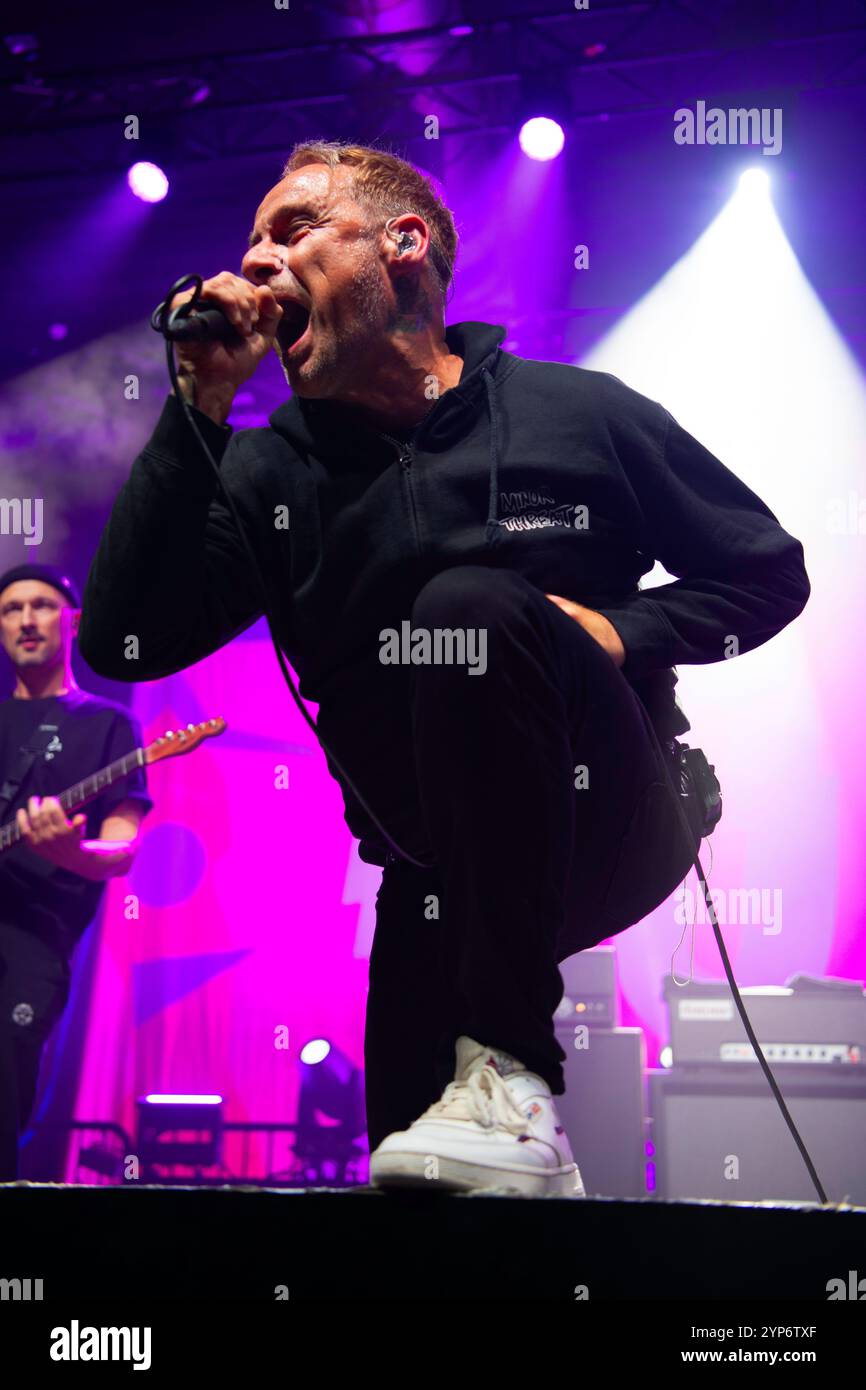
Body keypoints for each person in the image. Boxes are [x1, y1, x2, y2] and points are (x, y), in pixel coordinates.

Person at [77, 140, 810, 1197]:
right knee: (428, 1192)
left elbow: (765, 574)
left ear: (401, 245)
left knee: (465, 610)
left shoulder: (579, 415)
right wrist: (196, 403)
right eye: (249, 245)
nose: (257, 265)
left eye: (291, 231)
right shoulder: (269, 469)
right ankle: (512, 1131)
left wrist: (615, 632)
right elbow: (123, 644)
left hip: (609, 814)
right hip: (430, 883)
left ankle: (512, 1066)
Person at [0, 563, 152, 1180]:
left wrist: (68, 852)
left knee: (7, 1063)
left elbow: (120, 852)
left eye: (41, 605)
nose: (27, 619)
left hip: (34, 936)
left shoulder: (108, 724)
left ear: (72, 621)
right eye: (11, 609)